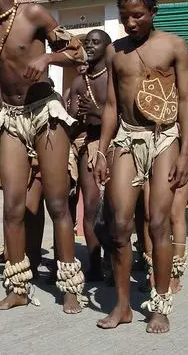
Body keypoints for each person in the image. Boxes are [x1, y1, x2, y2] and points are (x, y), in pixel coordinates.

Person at [0, 0, 88, 313]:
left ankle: (69, 287)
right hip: (12, 118)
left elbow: (77, 51)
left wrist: (48, 57)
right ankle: (18, 287)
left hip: (45, 111)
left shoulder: (33, 14)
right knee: (13, 206)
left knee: (57, 203)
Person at [93, 0, 188, 333]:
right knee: (119, 224)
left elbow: (187, 100)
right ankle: (122, 306)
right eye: (124, 17)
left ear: (153, 12)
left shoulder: (174, 45)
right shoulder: (114, 52)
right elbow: (110, 105)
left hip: (164, 138)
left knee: (157, 223)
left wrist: (185, 151)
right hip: (126, 137)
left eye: (137, 15)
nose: (130, 23)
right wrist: (102, 151)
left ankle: (160, 305)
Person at [141, 88, 188, 293]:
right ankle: (153, 271)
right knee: (150, 215)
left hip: (183, 155)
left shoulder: (186, 89)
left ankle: (175, 273)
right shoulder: (149, 86)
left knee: (176, 213)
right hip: (152, 155)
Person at [67, 29, 113, 281]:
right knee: (91, 207)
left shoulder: (116, 77)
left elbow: (121, 115)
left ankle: (115, 261)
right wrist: (82, 116)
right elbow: (74, 120)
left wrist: (97, 112)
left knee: (116, 208)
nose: (90, 46)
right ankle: (94, 265)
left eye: (96, 42)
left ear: (108, 47)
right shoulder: (78, 82)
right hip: (89, 143)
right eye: (87, 42)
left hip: (116, 143)